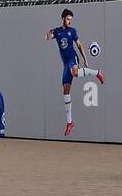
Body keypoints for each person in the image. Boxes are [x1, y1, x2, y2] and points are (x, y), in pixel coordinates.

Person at [44, 7, 104, 136]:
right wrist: (48, 35)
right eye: (68, 19)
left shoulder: (73, 31)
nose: (70, 21)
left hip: (72, 58)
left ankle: (96, 73)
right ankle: (70, 122)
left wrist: (85, 59)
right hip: (65, 64)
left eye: (71, 19)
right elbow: (48, 35)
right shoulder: (58, 31)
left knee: (75, 72)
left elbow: (79, 45)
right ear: (63, 19)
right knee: (65, 92)